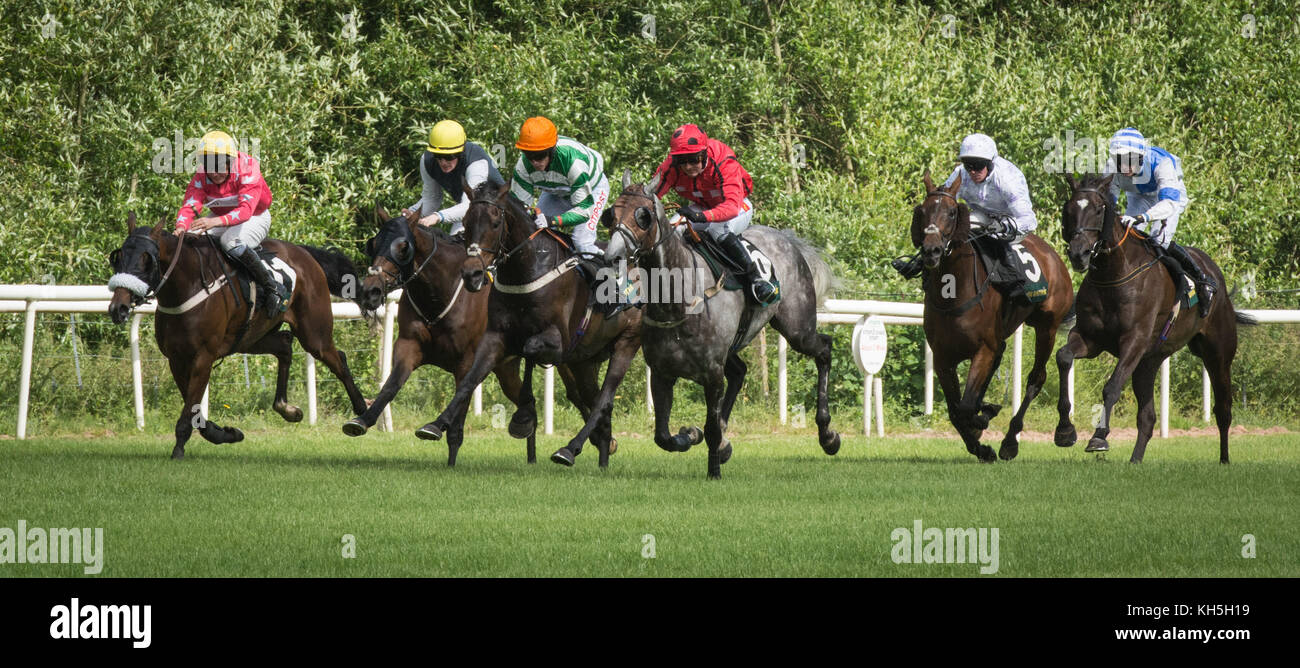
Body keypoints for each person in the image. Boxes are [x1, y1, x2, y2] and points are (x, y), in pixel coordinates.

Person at [893, 133, 1037, 298]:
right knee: (953, 227)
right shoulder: (961, 173)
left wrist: (1003, 226)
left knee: (995, 237)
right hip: (983, 215)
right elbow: (945, 199)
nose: (973, 171)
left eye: (979, 166)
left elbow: (1029, 221)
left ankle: (1013, 279)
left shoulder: (1007, 180)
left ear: (990, 163)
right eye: (969, 166)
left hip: (1012, 220)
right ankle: (919, 263)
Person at [509, 116, 622, 312]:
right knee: (532, 233)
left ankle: (618, 283)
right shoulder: (523, 166)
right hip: (557, 191)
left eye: (540, 155)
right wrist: (531, 213)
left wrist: (552, 220)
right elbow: (519, 208)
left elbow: (584, 211)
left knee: (582, 241)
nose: (535, 162)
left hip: (592, 190)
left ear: (551, 150)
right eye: (529, 155)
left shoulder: (572, 161)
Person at [651, 123, 774, 303]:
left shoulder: (724, 161)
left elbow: (731, 207)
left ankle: (756, 279)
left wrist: (702, 217)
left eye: (693, 159)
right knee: (671, 230)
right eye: (682, 160)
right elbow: (651, 196)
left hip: (737, 205)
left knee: (717, 230)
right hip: (703, 206)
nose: (688, 166)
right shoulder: (671, 166)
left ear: (705, 153)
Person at [174, 130, 286, 317]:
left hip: (255, 216)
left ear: (231, 161)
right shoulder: (202, 175)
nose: (214, 173)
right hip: (221, 216)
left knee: (229, 242)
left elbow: (245, 210)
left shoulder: (248, 168)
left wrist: (213, 222)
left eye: (219, 166)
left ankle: (272, 288)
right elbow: (190, 205)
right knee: (192, 239)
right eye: (210, 167)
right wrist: (181, 227)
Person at [1105, 127, 1215, 316]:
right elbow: (1108, 201)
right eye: (1121, 160)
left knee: (1159, 240)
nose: (1125, 167)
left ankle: (1202, 280)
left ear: (1141, 157)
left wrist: (1142, 217)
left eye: (1130, 160)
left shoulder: (1161, 163)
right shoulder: (1110, 167)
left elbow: (1169, 204)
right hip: (1139, 195)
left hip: (1168, 196)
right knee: (1127, 235)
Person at [402, 119, 505, 237]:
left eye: (449, 156)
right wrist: (413, 213)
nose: (443, 162)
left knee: (459, 242)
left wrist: (437, 216)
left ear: (460, 153)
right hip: (474, 212)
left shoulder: (476, 162)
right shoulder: (427, 160)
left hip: (497, 212)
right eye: (438, 156)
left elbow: (471, 204)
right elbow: (432, 198)